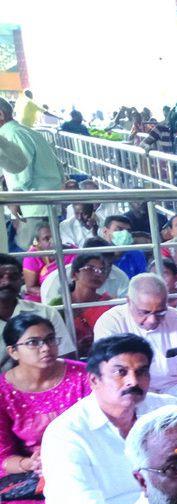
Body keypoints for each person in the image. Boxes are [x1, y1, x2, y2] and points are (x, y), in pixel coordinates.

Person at [40, 336, 177, 504]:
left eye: (141, 372)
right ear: (94, 380)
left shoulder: (164, 409)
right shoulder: (65, 435)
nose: (133, 381)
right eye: (121, 372)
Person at [0, 314, 89, 504]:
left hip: (87, 462)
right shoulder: (3, 392)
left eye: (50, 339)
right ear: (13, 351)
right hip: (34, 475)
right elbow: (3, 458)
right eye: (34, 342)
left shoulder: (84, 375)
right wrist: (29, 464)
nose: (46, 348)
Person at [93, 273, 177, 406]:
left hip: (175, 389)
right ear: (129, 301)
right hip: (133, 390)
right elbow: (108, 372)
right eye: (144, 312)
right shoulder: (111, 322)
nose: (152, 320)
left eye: (160, 312)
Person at [0, 97, 64, 251]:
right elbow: (59, 166)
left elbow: (22, 171)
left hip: (33, 205)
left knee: (31, 253)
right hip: (44, 202)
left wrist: (15, 198)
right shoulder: (27, 132)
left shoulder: (13, 134)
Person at [0, 253, 75, 368]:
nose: (6, 282)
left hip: (45, 382)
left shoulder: (46, 314)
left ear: (21, 280)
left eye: (13, 277)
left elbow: (65, 358)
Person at [51, 251, 115, 356]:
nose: (97, 273)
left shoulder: (108, 304)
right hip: (66, 358)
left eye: (102, 270)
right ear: (74, 274)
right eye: (90, 269)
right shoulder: (59, 304)